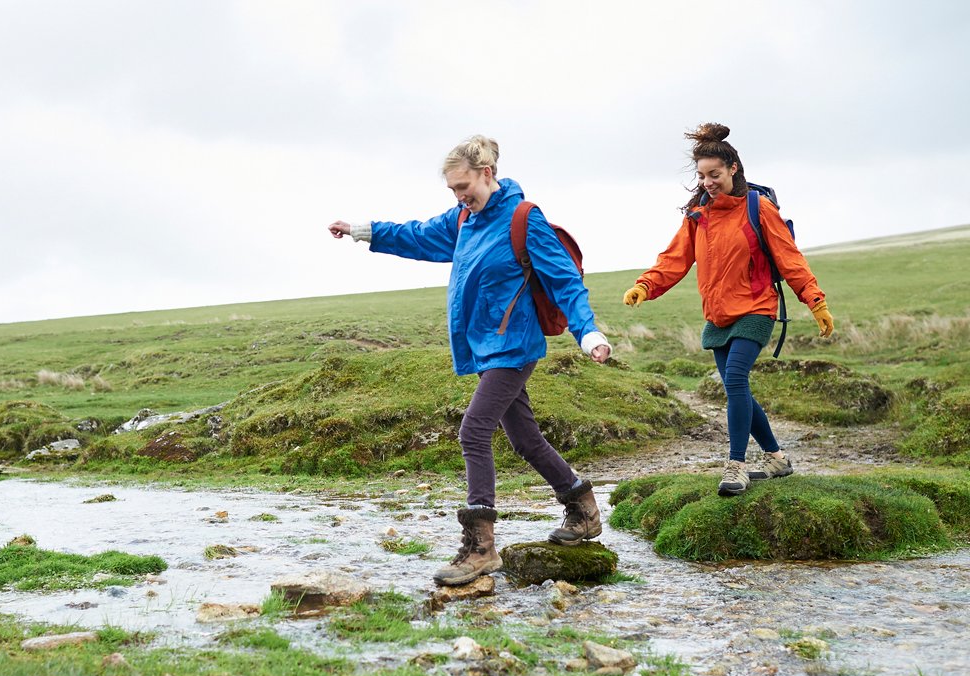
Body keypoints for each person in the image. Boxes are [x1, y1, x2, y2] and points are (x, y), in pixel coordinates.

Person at [327, 135, 611, 586]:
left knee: (473, 431)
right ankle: (583, 507)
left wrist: (588, 332)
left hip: (513, 346)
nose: (459, 196)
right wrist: (364, 230)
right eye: (452, 189)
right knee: (525, 439)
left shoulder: (524, 219)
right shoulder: (463, 219)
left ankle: (482, 547)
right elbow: (418, 235)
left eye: (464, 186)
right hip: (485, 348)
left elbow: (564, 281)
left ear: (487, 174)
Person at [622, 123, 834, 497]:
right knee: (738, 389)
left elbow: (789, 258)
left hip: (756, 307)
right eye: (702, 176)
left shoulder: (758, 208)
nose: (708, 182)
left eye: (714, 174)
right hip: (718, 316)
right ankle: (777, 457)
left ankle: (735, 465)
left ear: (733, 168)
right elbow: (675, 259)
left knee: (735, 378)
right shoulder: (698, 215)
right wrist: (646, 285)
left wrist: (815, 301)